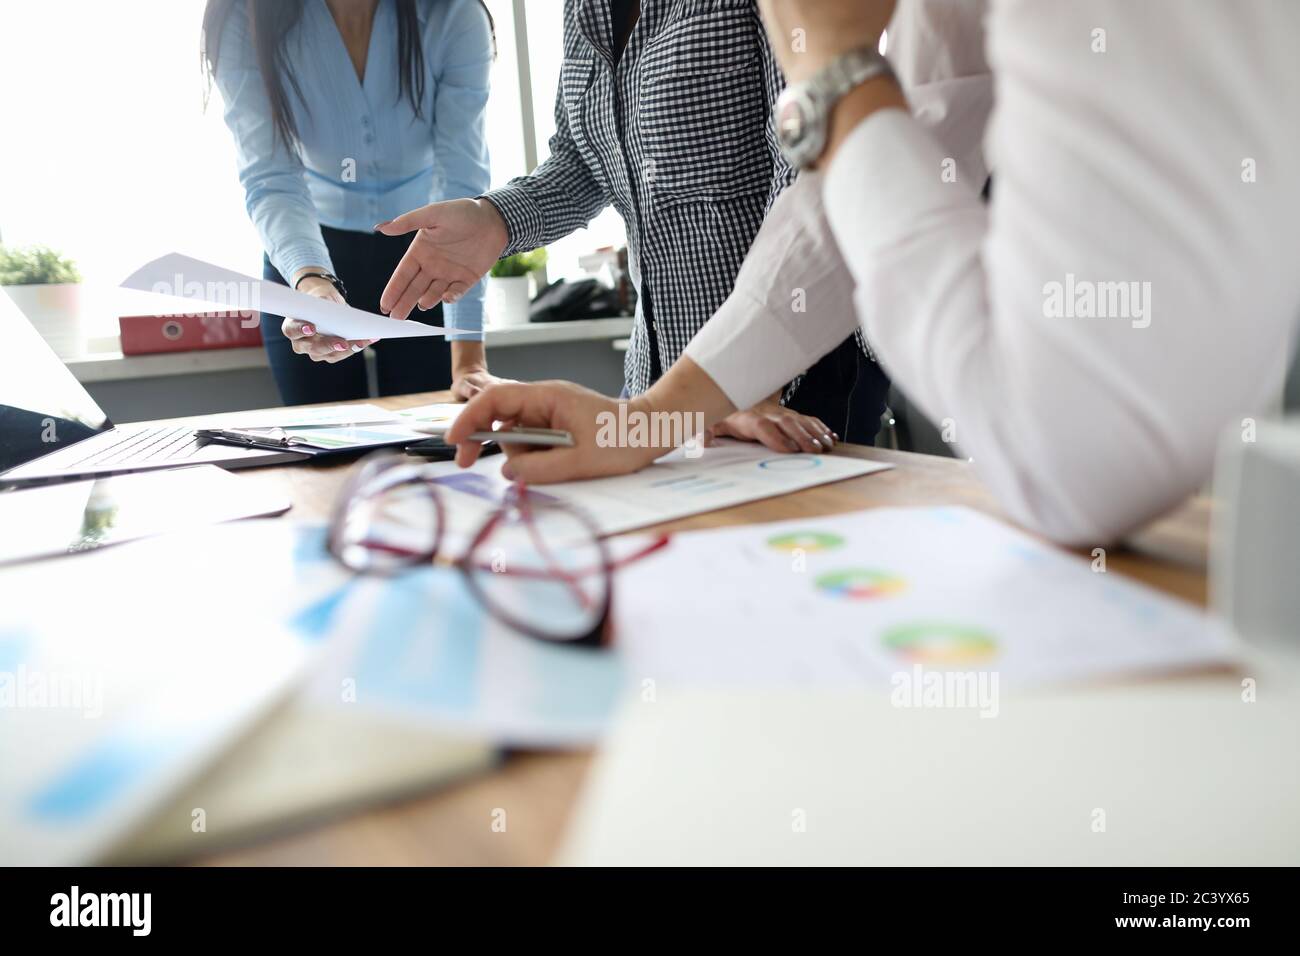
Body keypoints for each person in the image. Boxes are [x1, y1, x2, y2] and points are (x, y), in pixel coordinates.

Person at [442, 0, 1300, 546]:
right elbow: (889, 155)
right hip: (687, 360)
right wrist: (651, 419)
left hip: (1217, 500)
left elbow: (1080, 456)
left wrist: (836, 75)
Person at [375, 0, 890, 453]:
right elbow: (579, 162)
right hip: (660, 384)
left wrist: (752, 371)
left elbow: (807, 163)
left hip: (794, 377)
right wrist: (495, 218)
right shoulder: (583, 9)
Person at [203, 0, 494, 404]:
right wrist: (310, 281)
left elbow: (463, 189)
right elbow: (271, 178)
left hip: (427, 256)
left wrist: (468, 360)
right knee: (322, 456)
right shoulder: (245, 17)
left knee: (431, 452)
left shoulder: (452, 14)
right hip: (306, 257)